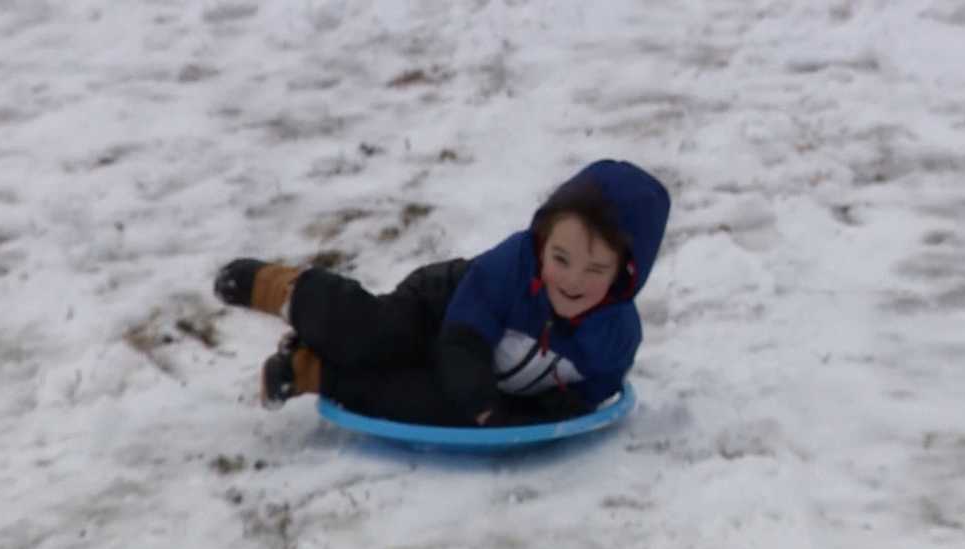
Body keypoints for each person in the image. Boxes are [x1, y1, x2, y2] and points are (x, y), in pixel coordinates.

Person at [212, 159, 669, 427]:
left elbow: (592, 391)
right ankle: (278, 289)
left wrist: (535, 415)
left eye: (595, 269)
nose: (571, 281)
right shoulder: (510, 267)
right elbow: (462, 340)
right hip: (439, 312)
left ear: (623, 275)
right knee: (375, 337)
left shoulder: (615, 335)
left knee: (423, 405)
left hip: (480, 379)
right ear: (541, 243)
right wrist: (484, 404)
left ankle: (308, 370)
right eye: (561, 258)